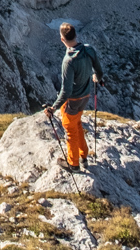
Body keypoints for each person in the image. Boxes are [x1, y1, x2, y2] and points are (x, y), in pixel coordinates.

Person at [44, 22, 105, 170]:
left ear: (62, 39)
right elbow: (99, 71)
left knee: (70, 130)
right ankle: (83, 155)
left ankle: (73, 164)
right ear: (75, 35)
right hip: (85, 97)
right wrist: (97, 78)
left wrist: (53, 108)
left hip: (72, 101)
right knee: (76, 124)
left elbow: (66, 91)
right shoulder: (89, 49)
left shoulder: (68, 61)